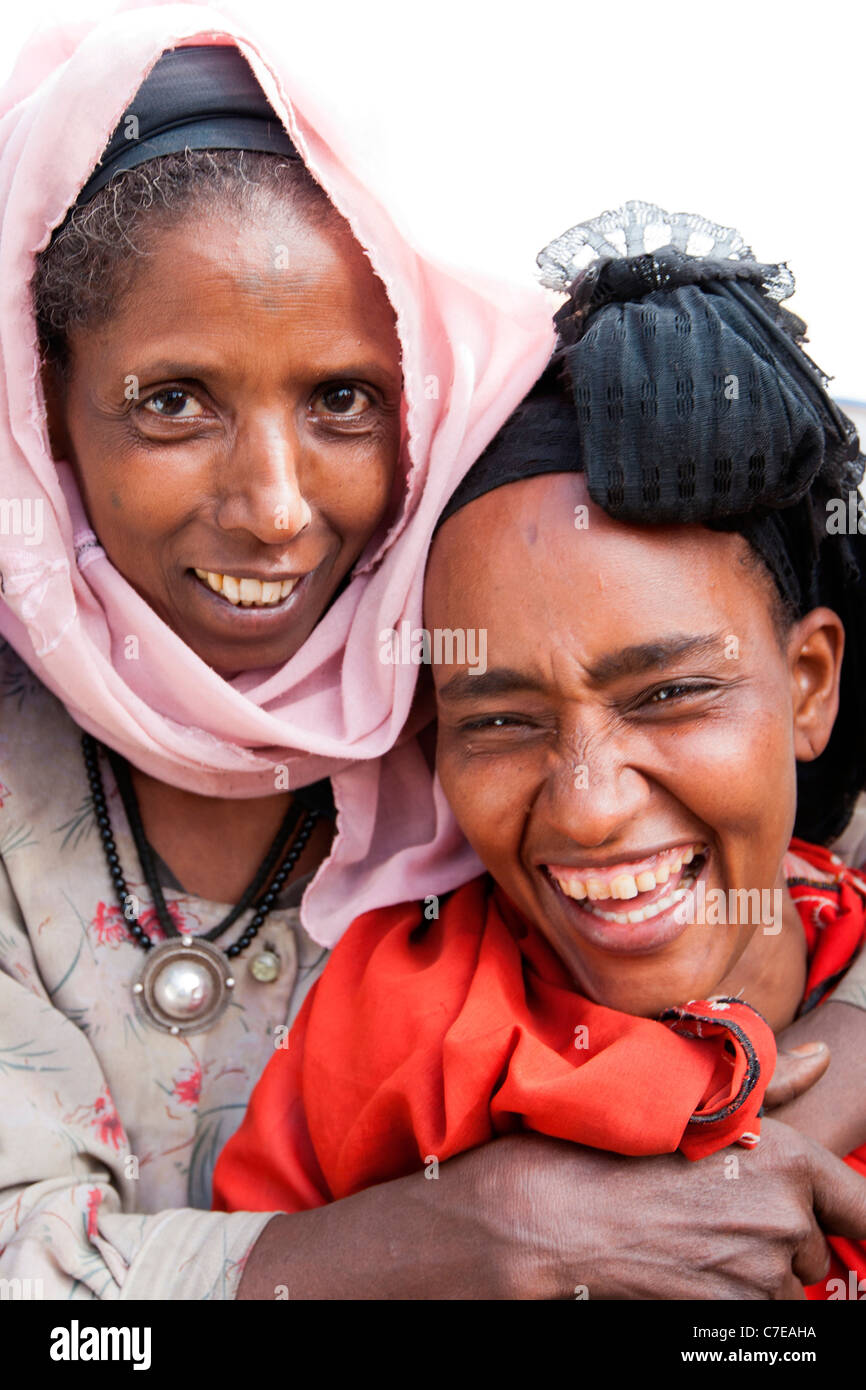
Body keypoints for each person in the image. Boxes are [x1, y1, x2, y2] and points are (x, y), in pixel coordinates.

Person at [213, 206, 866, 1299]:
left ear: (806, 686)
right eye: (501, 719)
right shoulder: (387, 1034)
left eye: (667, 694)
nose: (589, 809)